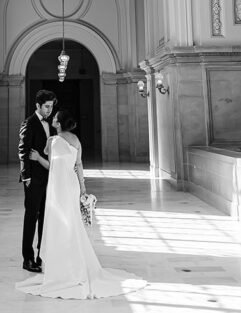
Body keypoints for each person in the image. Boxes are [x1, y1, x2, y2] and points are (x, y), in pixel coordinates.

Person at [16, 109, 147, 299]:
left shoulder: (52, 141)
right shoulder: (76, 140)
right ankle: (75, 260)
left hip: (58, 186)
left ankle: (60, 263)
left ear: (59, 123)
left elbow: (52, 166)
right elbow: (78, 165)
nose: (52, 119)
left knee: (58, 222)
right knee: (72, 222)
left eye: (55, 118)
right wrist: (83, 188)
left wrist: (37, 158)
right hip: (72, 184)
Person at [18, 89, 57, 272]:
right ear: (38, 106)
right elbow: (23, 151)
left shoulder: (49, 124)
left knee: (44, 218)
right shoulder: (29, 123)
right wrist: (26, 177)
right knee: (31, 218)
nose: (49, 110)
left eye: (51, 107)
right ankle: (28, 259)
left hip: (48, 178)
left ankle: (42, 255)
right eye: (46, 106)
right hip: (33, 179)